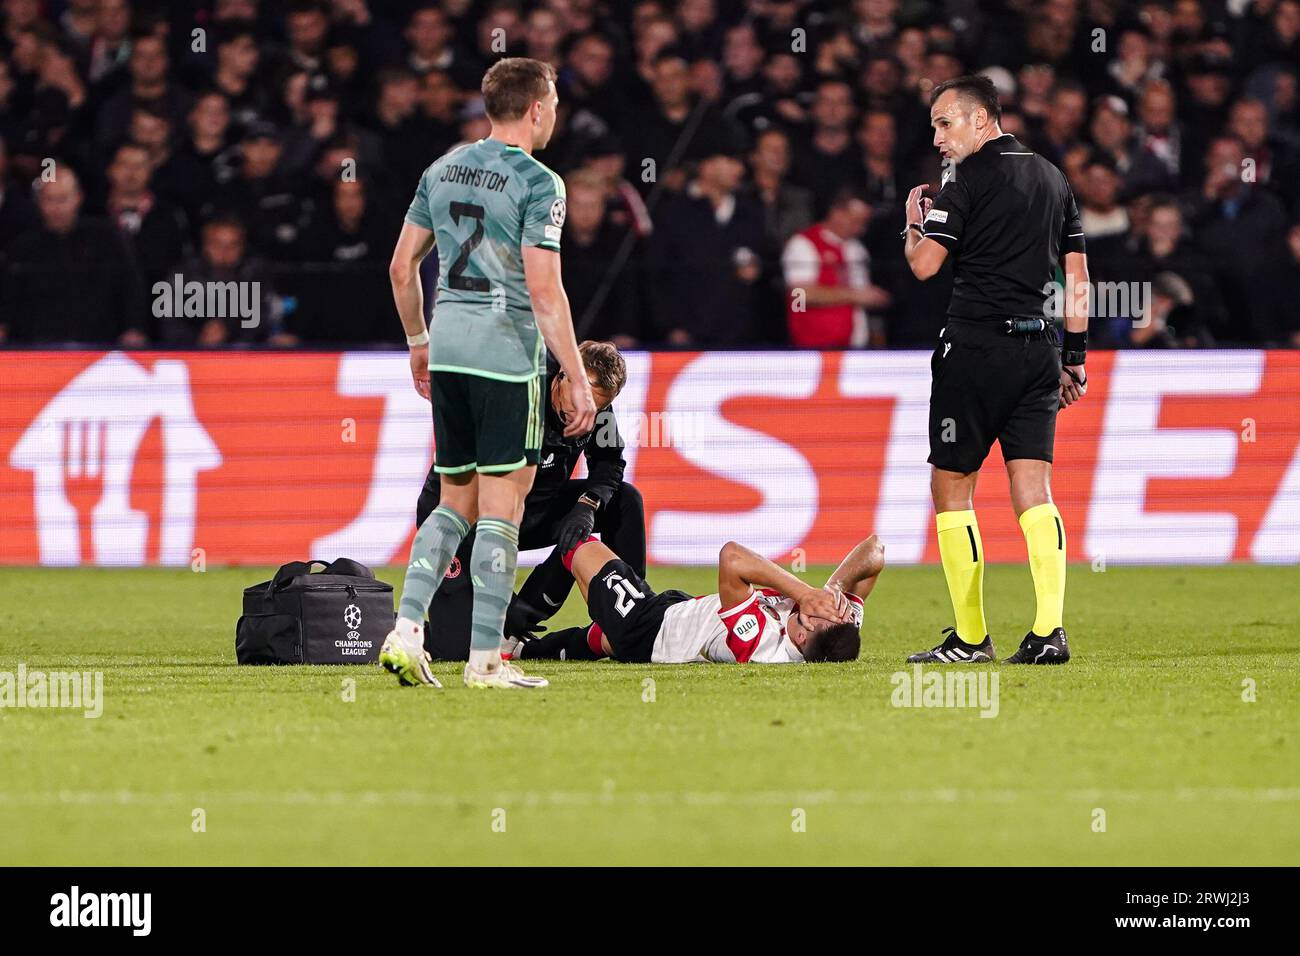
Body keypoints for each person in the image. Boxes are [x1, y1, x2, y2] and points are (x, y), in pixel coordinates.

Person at [382, 56, 597, 690]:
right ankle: (484, 661)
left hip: (447, 346)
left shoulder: (443, 169)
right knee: (503, 506)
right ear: (535, 108)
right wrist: (577, 374)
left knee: (455, 501)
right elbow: (544, 292)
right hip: (505, 354)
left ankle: (406, 631)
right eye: (553, 102)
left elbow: (400, 269)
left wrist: (419, 343)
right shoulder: (539, 183)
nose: (555, 113)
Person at [901, 75, 1090, 666]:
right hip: (1039, 349)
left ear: (982, 120)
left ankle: (970, 638)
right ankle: (1048, 632)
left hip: (976, 348)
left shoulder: (966, 178)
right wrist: (1075, 359)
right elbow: (1078, 281)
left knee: (951, 488)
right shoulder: (1054, 177)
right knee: (1033, 488)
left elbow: (926, 266)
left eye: (945, 122)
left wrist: (913, 222)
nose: (936, 137)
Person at [418, 340, 647, 660]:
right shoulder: (514, 393)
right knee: (458, 649)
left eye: (595, 408)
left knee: (625, 501)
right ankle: (384, 628)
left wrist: (587, 505)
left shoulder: (594, 406)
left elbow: (609, 463)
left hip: (532, 508)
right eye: (581, 402)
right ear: (563, 375)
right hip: (461, 516)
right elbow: (465, 491)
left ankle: (634, 618)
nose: (585, 414)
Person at [514, 534, 883, 665]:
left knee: (578, 544)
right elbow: (875, 550)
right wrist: (833, 591)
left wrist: (803, 593)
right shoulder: (834, 630)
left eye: (813, 613)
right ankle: (519, 651)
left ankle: (511, 621)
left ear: (800, 639)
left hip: (648, 630)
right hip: (681, 613)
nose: (819, 607)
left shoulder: (756, 645)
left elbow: (732, 557)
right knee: (600, 641)